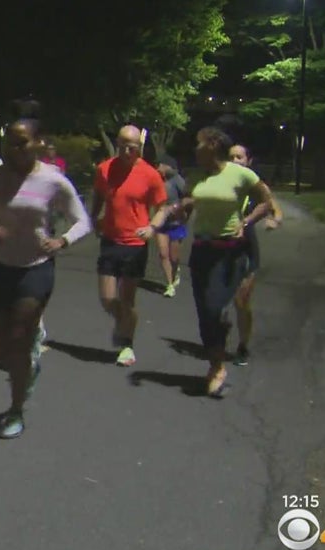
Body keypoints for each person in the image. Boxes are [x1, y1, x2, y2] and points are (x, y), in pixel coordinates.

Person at [0, 101, 91, 438]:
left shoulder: (53, 181)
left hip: (35, 269)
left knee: (20, 336)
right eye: (10, 141)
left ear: (39, 143)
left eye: (22, 141)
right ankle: (28, 362)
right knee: (0, 354)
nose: (14, 148)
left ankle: (15, 411)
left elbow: (82, 220)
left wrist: (62, 242)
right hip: (0, 267)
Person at [142, 127, 276, 397]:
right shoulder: (196, 176)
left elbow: (265, 200)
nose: (195, 148)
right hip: (202, 250)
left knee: (214, 307)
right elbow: (189, 202)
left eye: (199, 144)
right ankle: (216, 366)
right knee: (205, 313)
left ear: (213, 145)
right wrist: (178, 212)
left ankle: (218, 363)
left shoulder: (241, 173)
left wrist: (247, 221)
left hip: (230, 250)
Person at [90, 125, 167, 367]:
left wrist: (152, 228)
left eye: (132, 146)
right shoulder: (105, 168)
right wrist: (94, 217)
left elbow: (162, 208)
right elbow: (99, 194)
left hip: (135, 244)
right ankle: (124, 323)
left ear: (139, 147)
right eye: (122, 145)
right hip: (111, 240)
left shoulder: (150, 174)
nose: (126, 150)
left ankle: (127, 344)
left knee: (127, 300)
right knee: (106, 299)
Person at [228, 144, 282, 365]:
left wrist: (274, 219)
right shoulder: (221, 183)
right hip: (221, 249)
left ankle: (242, 345)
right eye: (230, 157)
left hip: (246, 249)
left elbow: (275, 208)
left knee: (241, 300)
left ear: (248, 161)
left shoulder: (256, 187)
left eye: (239, 157)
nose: (234, 161)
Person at [153, 154, 188, 297]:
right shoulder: (156, 180)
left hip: (175, 223)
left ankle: (176, 271)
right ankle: (169, 284)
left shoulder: (177, 180)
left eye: (160, 165)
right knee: (163, 254)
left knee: (174, 257)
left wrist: (181, 211)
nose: (158, 168)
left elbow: (188, 198)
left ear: (167, 166)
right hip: (161, 223)